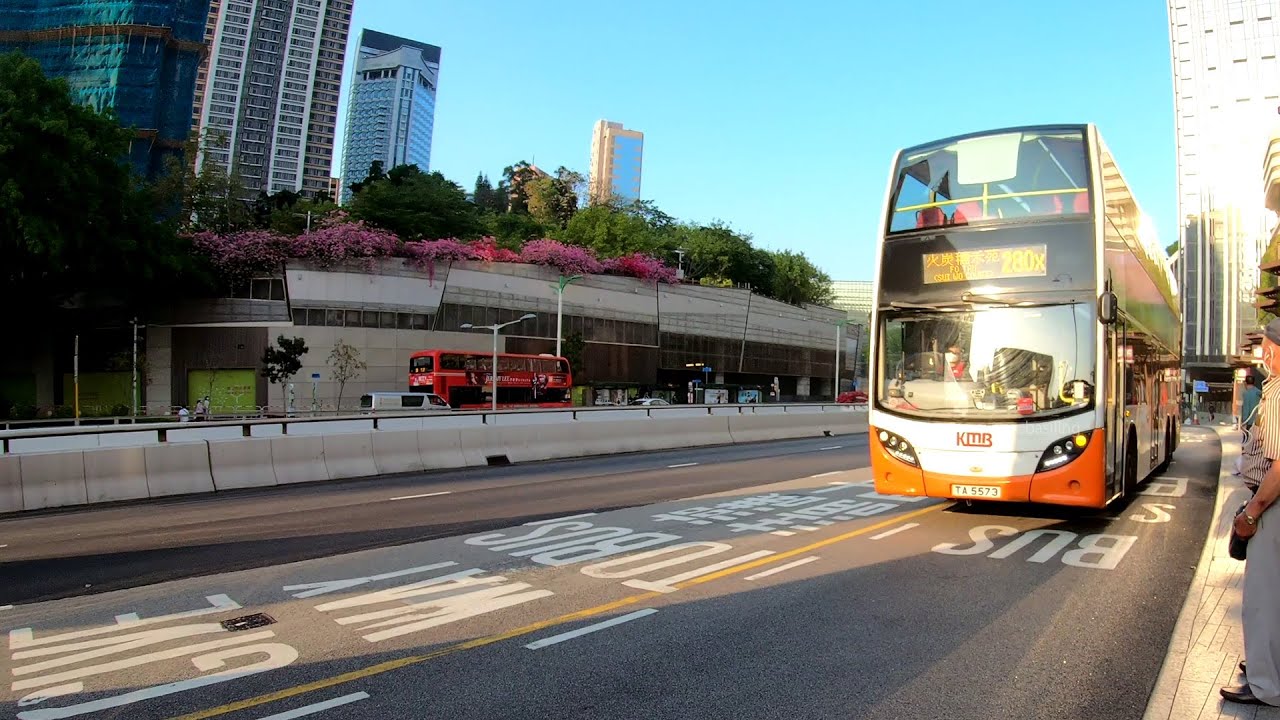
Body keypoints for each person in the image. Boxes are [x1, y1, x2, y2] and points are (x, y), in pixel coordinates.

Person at [1222, 318, 1280, 706]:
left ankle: (1265, 684)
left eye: (1265, 347)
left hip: (1272, 505)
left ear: (1274, 350)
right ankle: (1267, 667)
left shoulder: (1278, 393)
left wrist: (1252, 512)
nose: (1262, 354)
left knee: (1263, 596)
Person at [1244, 375, 1263, 440]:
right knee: (1256, 438)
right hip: (1258, 419)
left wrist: (1244, 422)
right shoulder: (1259, 392)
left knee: (1247, 439)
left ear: (1245, 383)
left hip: (1250, 421)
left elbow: (1246, 409)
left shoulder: (1246, 393)